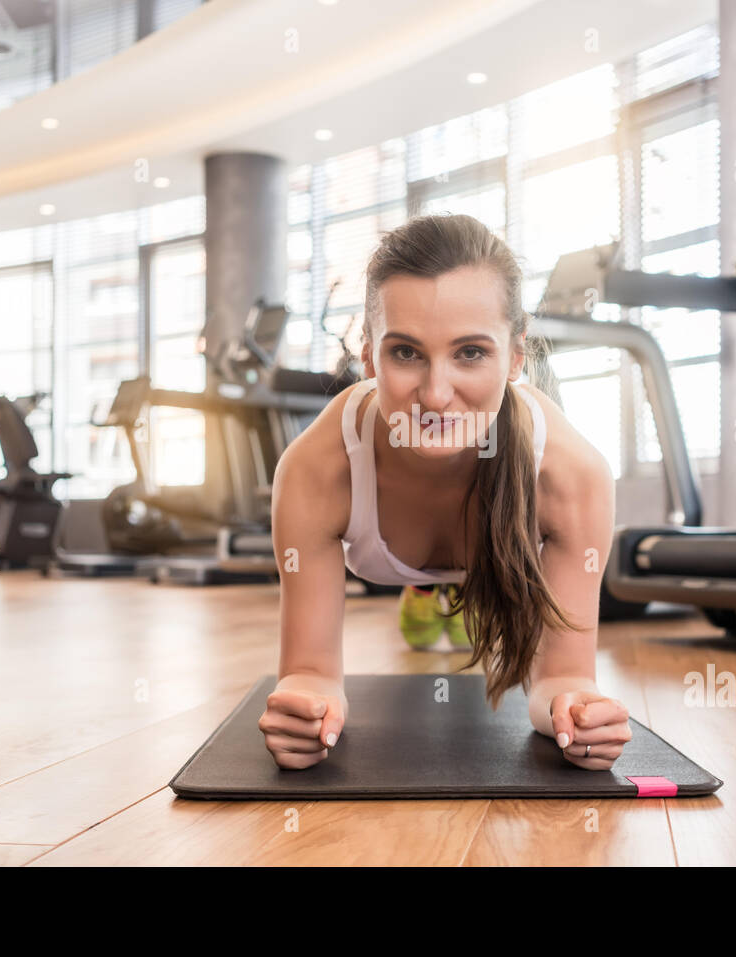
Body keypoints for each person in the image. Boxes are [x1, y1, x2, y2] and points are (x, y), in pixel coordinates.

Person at [259, 214, 632, 771]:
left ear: (517, 357)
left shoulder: (572, 476)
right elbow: (310, 672)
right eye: (405, 352)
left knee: (471, 614)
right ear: (367, 356)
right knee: (436, 621)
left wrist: (573, 711)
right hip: (416, 561)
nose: (435, 397)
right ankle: (429, 591)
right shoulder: (315, 470)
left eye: (471, 353)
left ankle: (461, 591)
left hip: (497, 554)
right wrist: (308, 711)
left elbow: (563, 677)